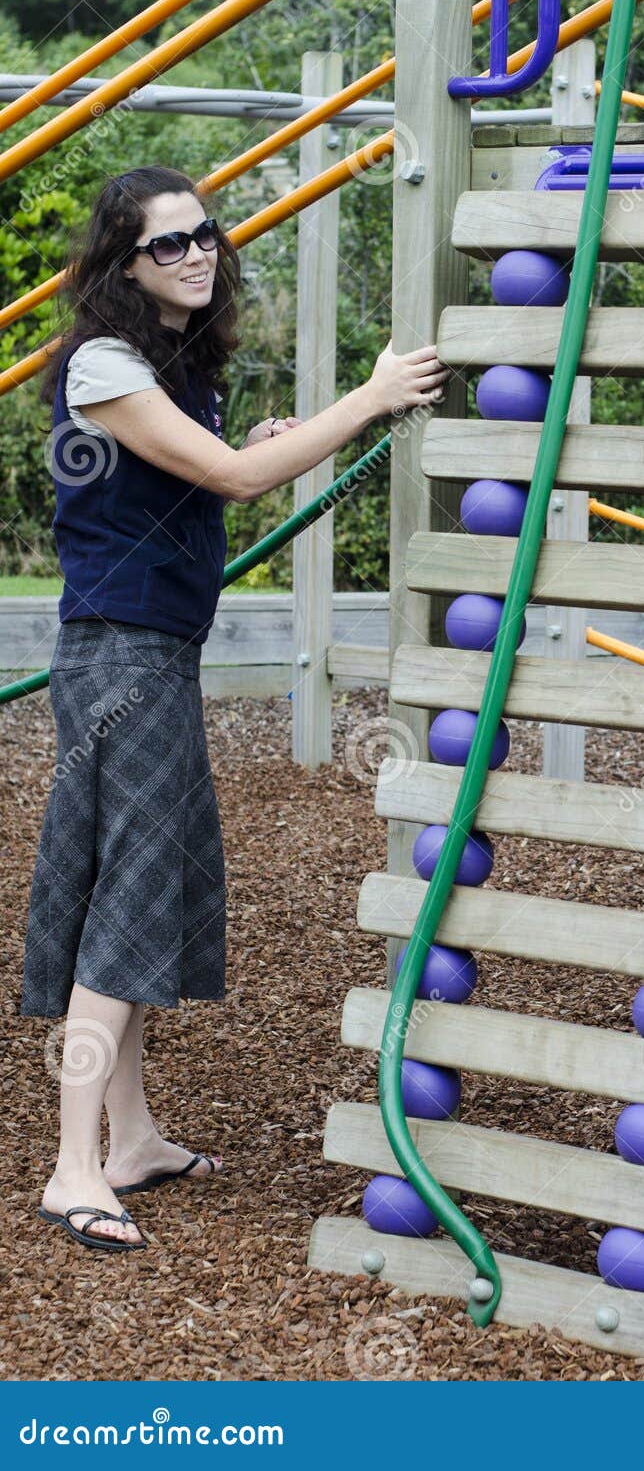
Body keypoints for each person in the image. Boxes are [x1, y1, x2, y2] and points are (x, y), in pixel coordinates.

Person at [20, 165, 448, 1253]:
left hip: (155, 655)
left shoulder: (167, 362)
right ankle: (72, 1167)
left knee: (139, 893)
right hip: (120, 664)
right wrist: (371, 397)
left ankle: (132, 1139)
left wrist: (254, 444)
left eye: (203, 235)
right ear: (121, 266)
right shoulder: (104, 363)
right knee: (118, 913)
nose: (196, 254)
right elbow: (232, 484)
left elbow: (197, 477)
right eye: (167, 245)